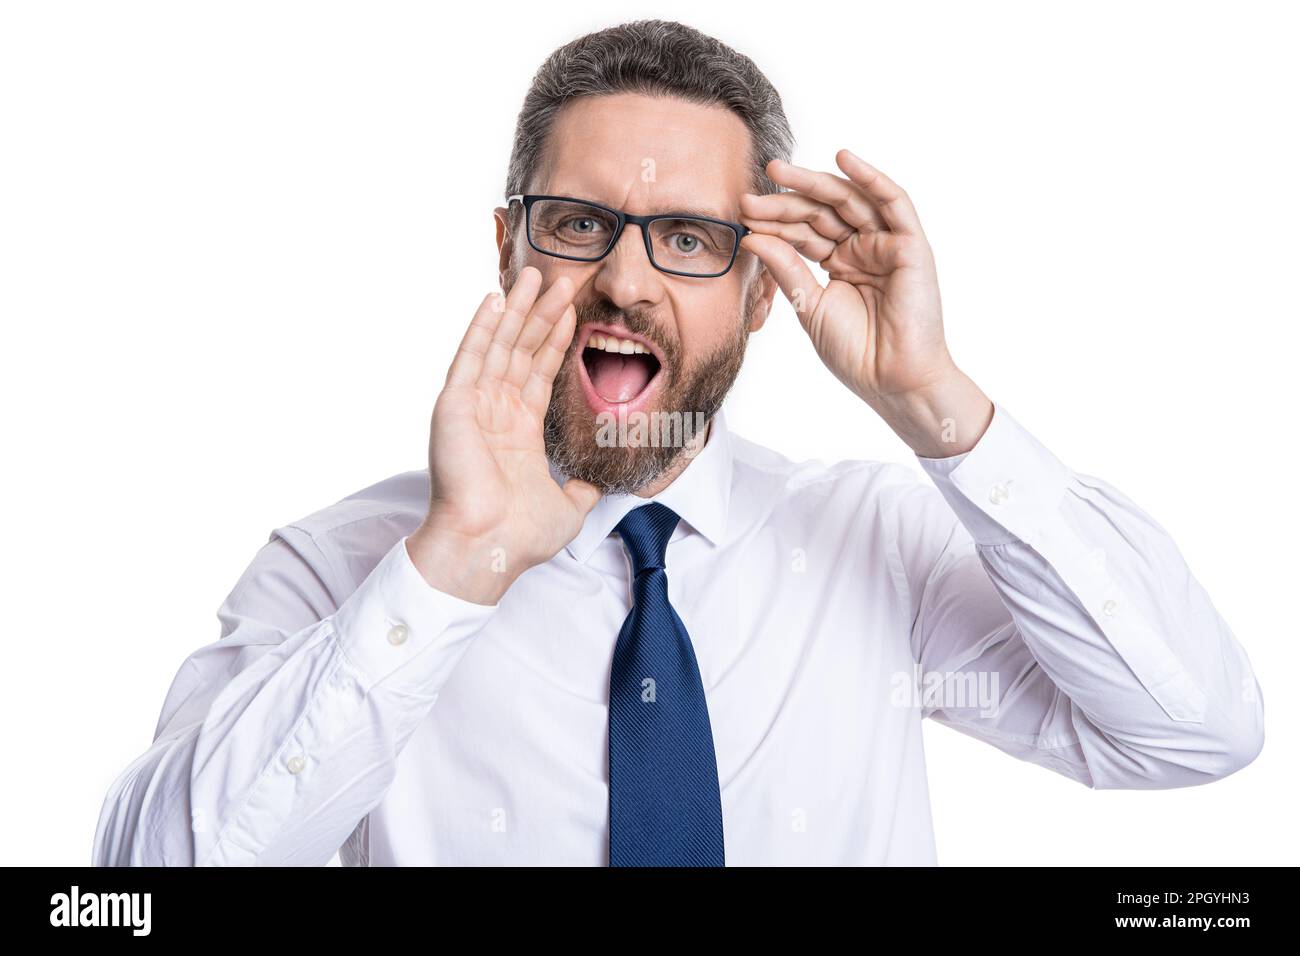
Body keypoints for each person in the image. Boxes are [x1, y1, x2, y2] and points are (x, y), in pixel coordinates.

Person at [93, 18, 1264, 867]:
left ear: (761, 289)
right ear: (506, 246)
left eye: (690, 237)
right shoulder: (346, 566)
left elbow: (1193, 728)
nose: (622, 277)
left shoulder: (874, 544)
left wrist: (934, 403)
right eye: (577, 224)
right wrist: (455, 563)